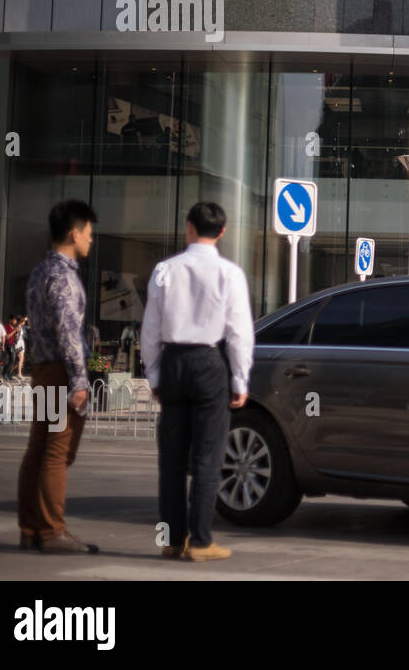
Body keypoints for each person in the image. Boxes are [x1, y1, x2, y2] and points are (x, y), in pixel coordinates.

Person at [142, 202, 255, 562]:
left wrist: (154, 372)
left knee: (171, 460)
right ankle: (201, 541)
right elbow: (239, 331)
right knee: (207, 457)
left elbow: (150, 328)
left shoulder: (164, 270)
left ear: (188, 227)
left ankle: (172, 540)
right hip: (210, 361)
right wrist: (240, 377)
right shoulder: (230, 273)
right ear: (221, 232)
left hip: (174, 360)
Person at [17, 200, 99, 554]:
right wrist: (80, 380)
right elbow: (69, 331)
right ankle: (52, 531)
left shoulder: (39, 272)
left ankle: (30, 527)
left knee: (38, 450)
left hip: (43, 369)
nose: (91, 241)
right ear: (73, 233)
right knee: (56, 453)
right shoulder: (64, 276)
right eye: (89, 233)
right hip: (61, 373)